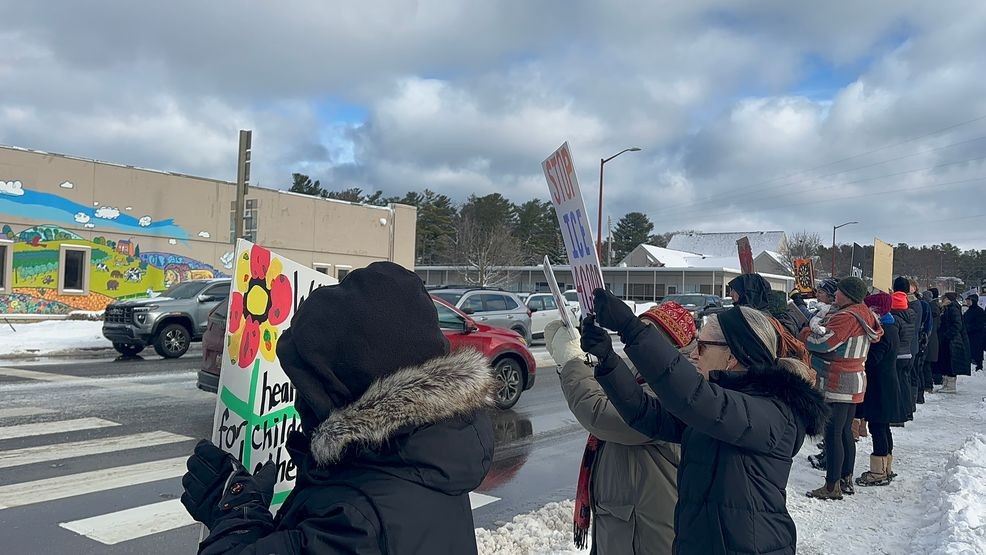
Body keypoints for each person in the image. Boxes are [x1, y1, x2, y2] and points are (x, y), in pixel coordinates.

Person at [180, 262, 496, 554]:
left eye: (306, 385)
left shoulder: (356, 522)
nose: (298, 400)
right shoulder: (429, 454)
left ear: (341, 391)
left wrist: (237, 515)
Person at [585, 289, 826, 554]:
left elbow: (691, 396)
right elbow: (645, 413)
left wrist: (631, 329)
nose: (693, 355)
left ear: (732, 357)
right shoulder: (716, 409)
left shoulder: (770, 412)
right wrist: (608, 360)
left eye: (702, 346)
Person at [546, 302, 697, 554]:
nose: (635, 338)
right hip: (628, 525)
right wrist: (585, 359)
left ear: (667, 343)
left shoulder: (676, 387)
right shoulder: (649, 370)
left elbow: (602, 414)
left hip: (646, 533)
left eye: (645, 333)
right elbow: (608, 390)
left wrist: (572, 362)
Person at [802, 277, 882, 499]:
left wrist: (805, 334)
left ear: (848, 294)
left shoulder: (846, 317)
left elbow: (824, 343)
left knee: (832, 434)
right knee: (845, 431)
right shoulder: (865, 314)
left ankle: (831, 486)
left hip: (837, 381)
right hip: (855, 379)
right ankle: (846, 479)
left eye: (838, 291)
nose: (835, 294)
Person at [855, 293, 901, 487]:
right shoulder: (892, 327)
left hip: (880, 387)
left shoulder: (882, 333)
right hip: (887, 385)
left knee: (877, 427)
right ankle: (886, 467)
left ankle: (878, 472)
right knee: (883, 427)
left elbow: (873, 361)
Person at [889, 287, 917, 423]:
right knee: (904, 383)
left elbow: (894, 339)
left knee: (896, 385)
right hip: (907, 353)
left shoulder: (895, 319)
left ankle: (898, 415)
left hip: (897, 355)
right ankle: (908, 411)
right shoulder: (910, 316)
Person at [936, 292, 971, 393]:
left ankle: (950, 385)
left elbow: (957, 324)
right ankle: (946, 383)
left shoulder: (953, 309)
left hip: (952, 341)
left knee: (950, 362)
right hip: (949, 340)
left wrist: (947, 335)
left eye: (944, 298)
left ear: (948, 299)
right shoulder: (948, 308)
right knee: (946, 361)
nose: (942, 300)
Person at [921, 289, 941, 396]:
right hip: (933, 339)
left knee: (925, 364)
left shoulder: (928, 310)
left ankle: (928, 385)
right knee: (927, 364)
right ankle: (929, 384)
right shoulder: (936, 309)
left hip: (928, 339)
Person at [963, 293, 985, 372]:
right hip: (969, 336)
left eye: (969, 300)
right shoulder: (968, 311)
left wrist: (969, 327)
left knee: (977, 353)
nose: (967, 302)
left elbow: (980, 324)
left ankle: (978, 368)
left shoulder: (979, 311)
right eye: (967, 300)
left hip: (977, 337)